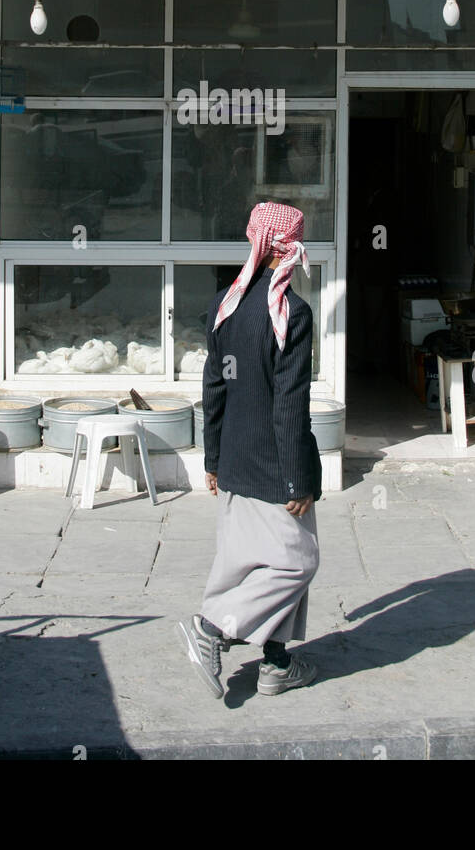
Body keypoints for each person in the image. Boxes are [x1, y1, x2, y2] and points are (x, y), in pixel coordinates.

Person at [177, 201, 321, 698]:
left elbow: (213, 388)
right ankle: (212, 629)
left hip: (235, 457)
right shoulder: (293, 313)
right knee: (295, 562)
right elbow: (290, 402)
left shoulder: (226, 305)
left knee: (244, 561)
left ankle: (277, 664)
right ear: (292, 246)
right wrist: (299, 477)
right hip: (277, 464)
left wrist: (212, 459)